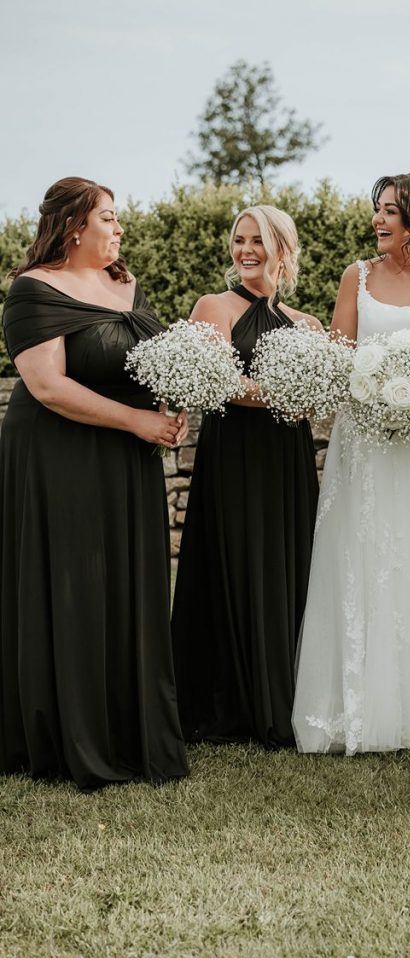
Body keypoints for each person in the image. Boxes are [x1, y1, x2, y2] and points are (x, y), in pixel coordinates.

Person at [0, 176, 188, 790]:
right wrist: (137, 419)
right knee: (75, 584)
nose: (118, 228)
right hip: (61, 453)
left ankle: (131, 732)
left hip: (125, 458)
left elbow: (135, 359)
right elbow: (49, 385)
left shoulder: (124, 284)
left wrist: (173, 399)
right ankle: (69, 735)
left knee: (128, 584)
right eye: (108, 217)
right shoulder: (32, 290)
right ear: (75, 225)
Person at [292, 170, 410, 754]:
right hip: (366, 442)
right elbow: (340, 358)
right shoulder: (357, 276)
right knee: (365, 552)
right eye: (377, 209)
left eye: (390, 212)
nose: (377, 219)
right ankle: (358, 705)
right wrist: (372, 392)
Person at [172, 205, 321, 747]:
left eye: (258, 240)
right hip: (233, 452)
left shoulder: (307, 324)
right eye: (239, 240)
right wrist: (280, 391)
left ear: (283, 248)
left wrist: (304, 393)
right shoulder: (214, 307)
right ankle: (230, 699)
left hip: (287, 457)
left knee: (288, 560)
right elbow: (216, 382)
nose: (246, 250)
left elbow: (316, 396)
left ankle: (287, 692)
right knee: (235, 559)